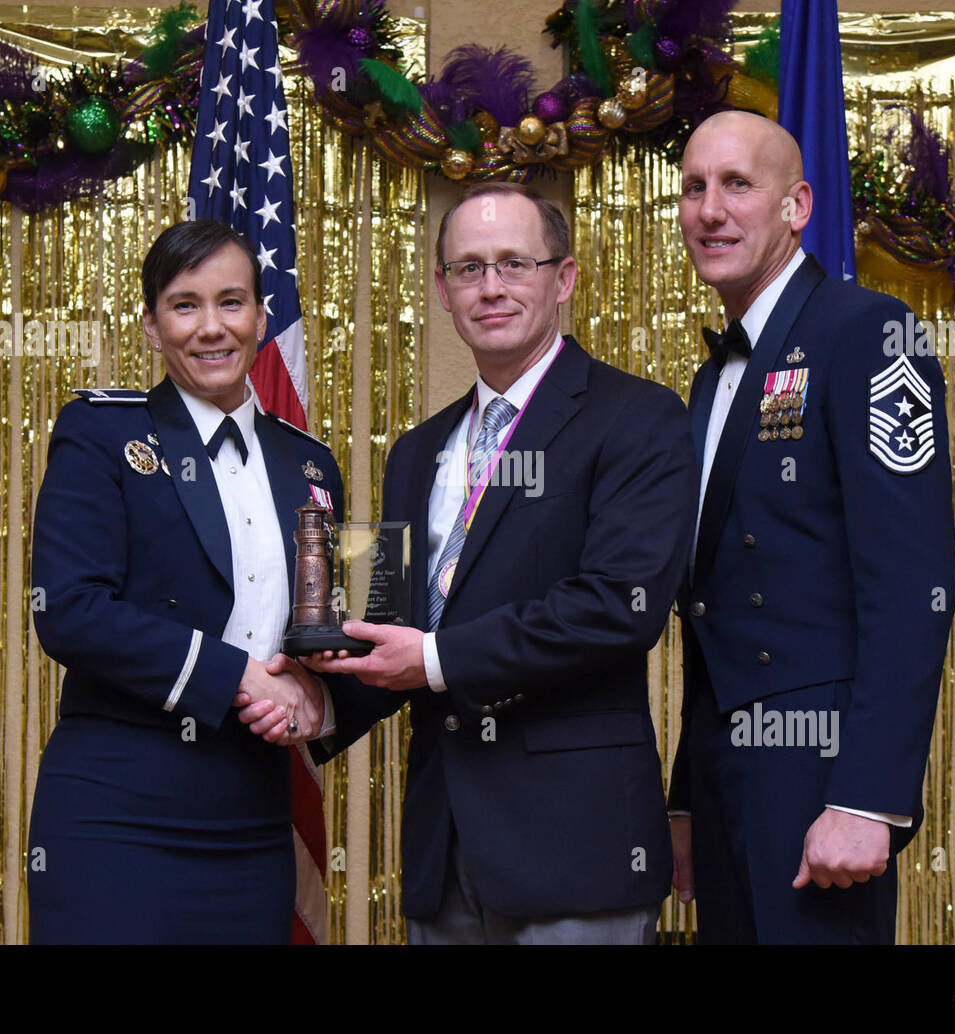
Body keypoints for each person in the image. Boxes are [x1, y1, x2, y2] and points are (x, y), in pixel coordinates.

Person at [283, 182, 697, 944]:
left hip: (575, 846)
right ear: (441, 290)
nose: (492, 287)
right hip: (445, 851)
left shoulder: (640, 418)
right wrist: (306, 698)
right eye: (469, 268)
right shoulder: (417, 451)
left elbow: (616, 608)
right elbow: (390, 623)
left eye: (515, 263)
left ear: (563, 278)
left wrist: (435, 658)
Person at [666, 110, 955, 943]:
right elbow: (717, 608)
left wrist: (868, 798)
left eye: (737, 185)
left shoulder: (869, 332)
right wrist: (690, 791)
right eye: (693, 188)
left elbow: (914, 584)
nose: (710, 210)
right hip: (727, 777)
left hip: (822, 775)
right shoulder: (711, 377)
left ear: (796, 206)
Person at [26, 218, 336, 944]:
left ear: (262, 316)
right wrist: (240, 678)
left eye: (231, 302)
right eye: (184, 304)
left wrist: (316, 695)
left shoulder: (310, 464)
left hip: (253, 816)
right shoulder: (101, 433)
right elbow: (69, 611)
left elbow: (323, 625)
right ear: (151, 326)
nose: (211, 327)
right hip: (118, 807)